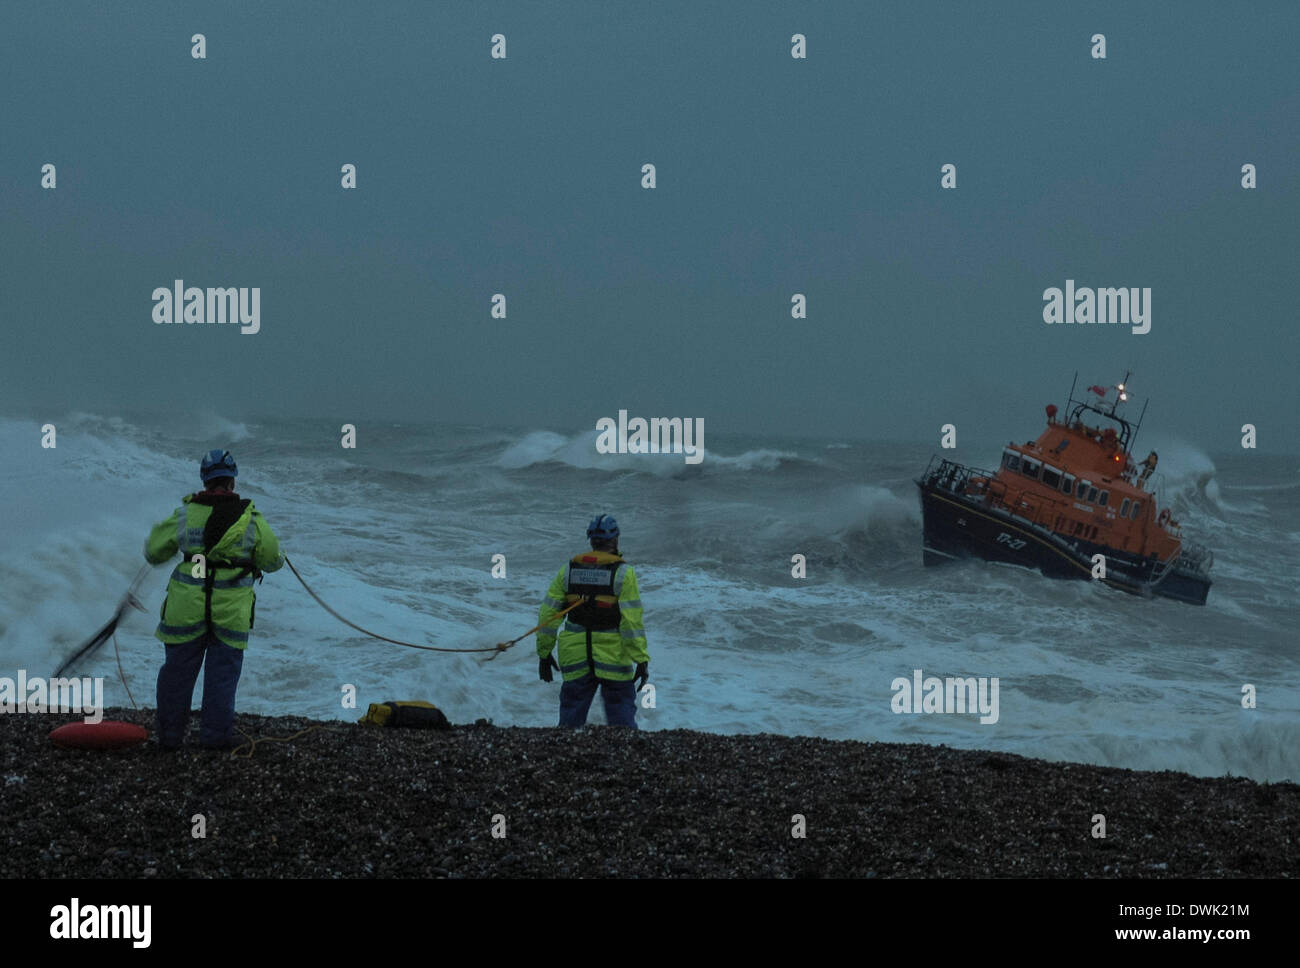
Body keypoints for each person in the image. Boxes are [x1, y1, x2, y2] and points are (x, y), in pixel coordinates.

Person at [144, 449, 283, 748]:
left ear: (204, 480)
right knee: (222, 678)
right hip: (230, 611)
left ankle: (168, 738)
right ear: (232, 481)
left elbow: (154, 552)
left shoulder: (184, 514)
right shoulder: (251, 519)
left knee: (176, 675)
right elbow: (273, 560)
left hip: (185, 608)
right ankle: (215, 739)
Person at [536, 514, 648, 728]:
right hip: (613, 658)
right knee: (621, 716)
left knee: (570, 717)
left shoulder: (568, 570)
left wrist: (543, 653)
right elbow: (631, 623)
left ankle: (565, 754)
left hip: (575, 656)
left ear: (590, 540)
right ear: (615, 539)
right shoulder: (624, 573)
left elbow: (548, 616)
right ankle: (625, 754)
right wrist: (641, 659)